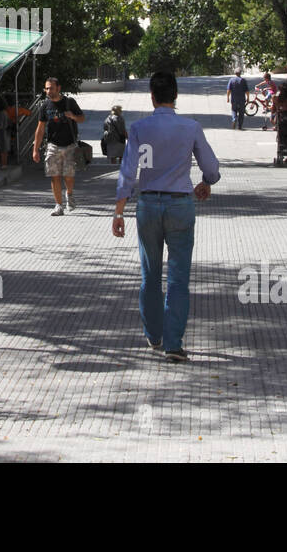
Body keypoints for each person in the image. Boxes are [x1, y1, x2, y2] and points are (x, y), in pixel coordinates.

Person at [113, 71, 221, 363]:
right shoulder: (191, 127)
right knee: (178, 277)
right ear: (176, 96)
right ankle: (174, 343)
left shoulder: (138, 129)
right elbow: (210, 167)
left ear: (152, 96)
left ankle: (154, 334)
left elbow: (127, 172)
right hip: (180, 205)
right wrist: (206, 182)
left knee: (150, 275)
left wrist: (119, 210)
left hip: (147, 205)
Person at [32, 77, 85, 215]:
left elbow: (82, 118)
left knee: (68, 176)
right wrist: (35, 149)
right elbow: (40, 128)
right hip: (52, 145)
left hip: (69, 145)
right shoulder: (45, 105)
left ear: (58, 88)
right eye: (46, 88)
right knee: (54, 175)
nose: (48, 91)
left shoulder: (69, 102)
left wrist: (72, 116)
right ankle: (58, 205)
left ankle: (70, 194)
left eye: (51, 88)